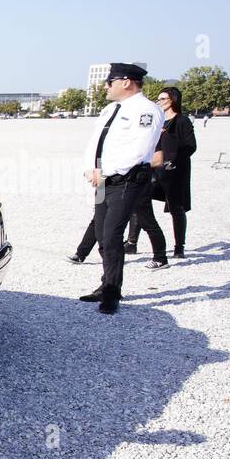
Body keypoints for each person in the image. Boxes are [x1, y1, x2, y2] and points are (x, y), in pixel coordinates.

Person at [77, 62, 164, 314]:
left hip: (126, 180)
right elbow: (96, 142)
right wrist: (89, 167)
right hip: (102, 180)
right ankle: (106, 284)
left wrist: (104, 170)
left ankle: (112, 293)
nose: (106, 86)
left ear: (126, 82)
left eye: (110, 81)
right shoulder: (110, 109)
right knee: (102, 234)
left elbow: (139, 149)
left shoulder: (146, 110)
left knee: (114, 234)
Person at [126, 86, 195, 260]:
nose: (159, 102)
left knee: (176, 208)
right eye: (158, 99)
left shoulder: (182, 121)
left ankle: (179, 247)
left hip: (174, 171)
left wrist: (174, 161)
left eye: (163, 99)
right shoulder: (157, 120)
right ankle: (131, 243)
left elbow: (190, 146)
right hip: (154, 167)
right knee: (139, 202)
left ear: (173, 100)